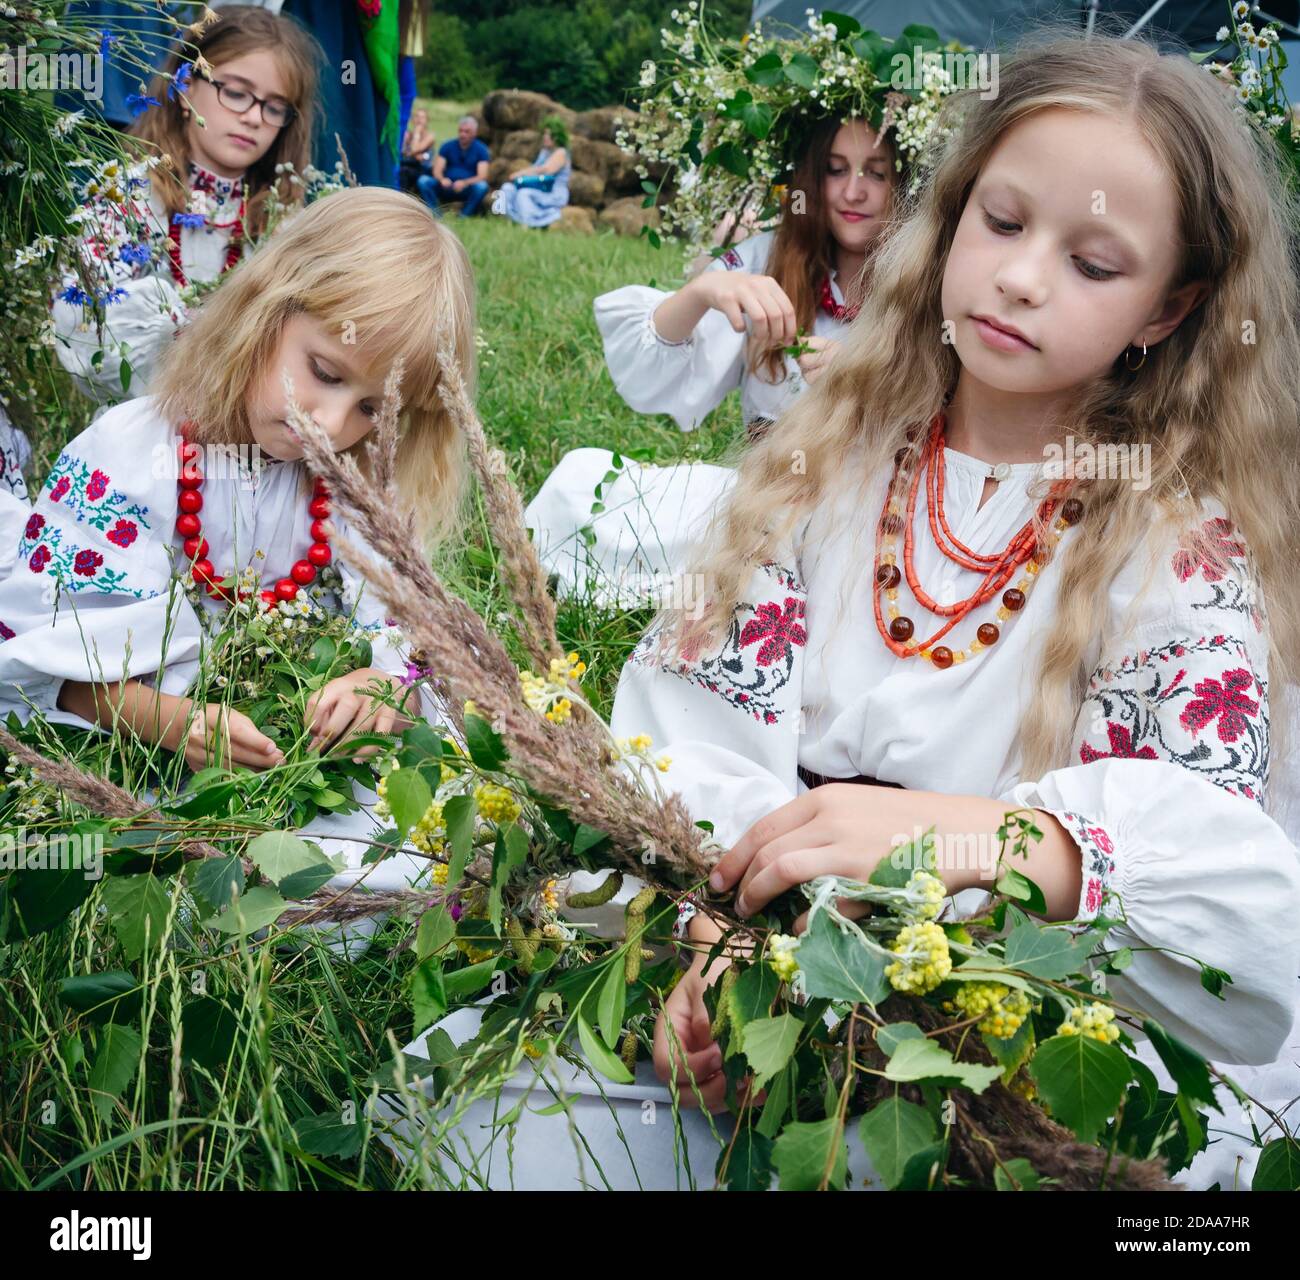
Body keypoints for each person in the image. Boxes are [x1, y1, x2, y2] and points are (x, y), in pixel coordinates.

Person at [604, 28, 1300, 1187]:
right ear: (953, 216)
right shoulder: (824, 461)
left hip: (996, 1023)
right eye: (1004, 221)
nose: (1022, 277)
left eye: (1094, 263)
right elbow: (680, 728)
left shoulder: (1177, 547)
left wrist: (982, 841)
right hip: (767, 938)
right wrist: (723, 932)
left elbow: (1216, 878)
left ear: (1168, 310)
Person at [1, 187, 476, 950]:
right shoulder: (133, 453)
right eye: (324, 371)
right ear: (265, 308)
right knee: (144, 868)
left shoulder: (356, 487)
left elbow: (409, 633)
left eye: (370, 411)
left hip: (288, 769)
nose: (329, 425)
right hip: (139, 763)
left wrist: (381, 683)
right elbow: (41, 663)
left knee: (440, 842)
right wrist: (168, 719)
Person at [524, 114, 900, 605]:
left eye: (875, 172)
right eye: (835, 170)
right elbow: (650, 384)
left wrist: (865, 383)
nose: (854, 192)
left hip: (872, 515)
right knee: (584, 480)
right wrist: (703, 291)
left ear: (903, 182)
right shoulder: (770, 258)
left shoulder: (927, 283)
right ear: (811, 177)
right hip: (761, 500)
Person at [50, 4, 322, 404]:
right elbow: (81, 331)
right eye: (235, 92)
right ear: (183, 87)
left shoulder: (283, 221)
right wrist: (174, 320)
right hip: (136, 423)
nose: (252, 117)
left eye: (274, 106)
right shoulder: (126, 193)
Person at [492, 115, 571, 229]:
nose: (545, 137)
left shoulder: (561, 153)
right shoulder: (544, 152)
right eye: (544, 134)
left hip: (553, 192)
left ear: (557, 137)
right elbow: (536, 168)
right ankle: (511, 219)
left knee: (524, 194)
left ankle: (529, 223)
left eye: (548, 135)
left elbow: (546, 170)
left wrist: (522, 174)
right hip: (539, 187)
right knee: (507, 188)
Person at [417, 115, 490, 218]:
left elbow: (482, 176)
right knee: (423, 180)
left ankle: (464, 214)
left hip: (467, 188)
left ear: (474, 133)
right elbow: (437, 170)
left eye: (467, 131)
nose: (462, 134)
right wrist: (442, 179)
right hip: (447, 186)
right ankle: (435, 213)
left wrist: (464, 183)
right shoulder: (447, 146)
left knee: (482, 186)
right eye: (460, 131)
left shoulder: (481, 149)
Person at [399, 105, 435, 192]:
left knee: (405, 171)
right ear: (412, 120)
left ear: (427, 121)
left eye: (422, 117)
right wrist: (416, 155)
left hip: (423, 169)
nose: (419, 120)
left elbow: (413, 150)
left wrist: (416, 134)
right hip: (407, 166)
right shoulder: (407, 134)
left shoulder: (430, 136)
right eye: (417, 116)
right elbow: (401, 151)